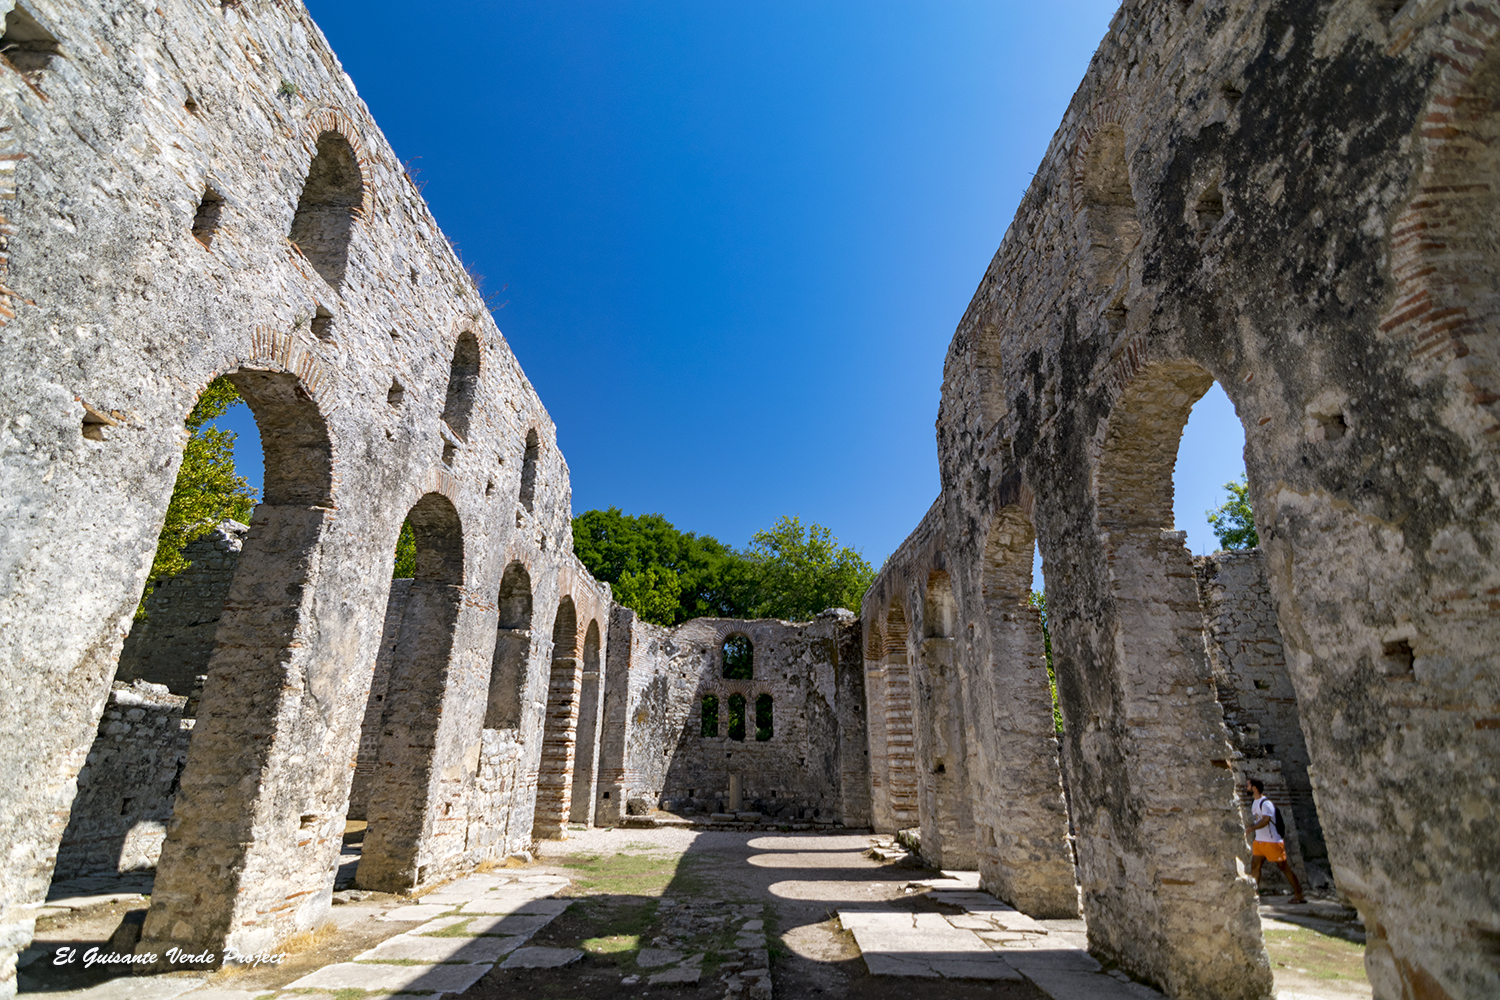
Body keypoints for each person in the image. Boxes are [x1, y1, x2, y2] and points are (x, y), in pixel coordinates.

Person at [1246, 777, 1305, 904]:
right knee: (1255, 866)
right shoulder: (1254, 802)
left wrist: (1251, 828)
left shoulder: (1266, 803)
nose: (1246, 788)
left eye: (1248, 785)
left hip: (1272, 842)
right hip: (1259, 842)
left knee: (1284, 867)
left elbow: (1265, 820)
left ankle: (1299, 895)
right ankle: (1253, 895)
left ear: (1254, 788)